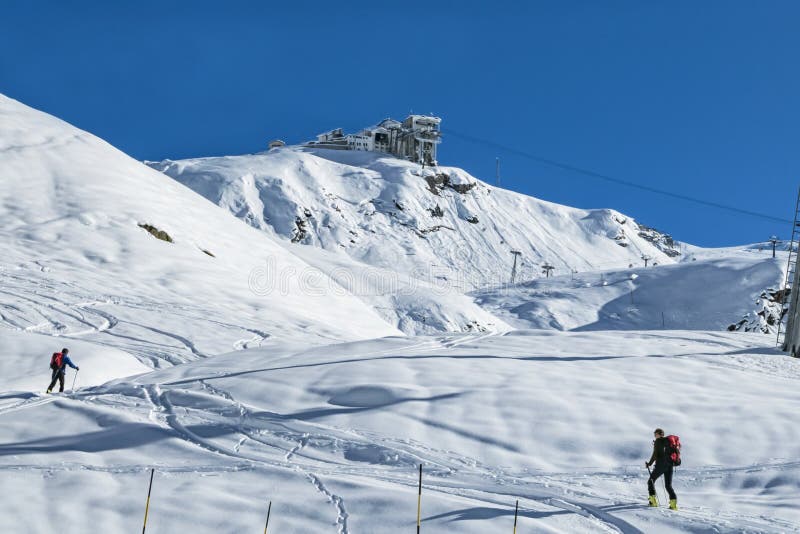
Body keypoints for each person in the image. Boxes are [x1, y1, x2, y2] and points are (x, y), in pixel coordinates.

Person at [646, 428, 677, 510]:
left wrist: (649, 463)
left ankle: (653, 502)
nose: (654, 435)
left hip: (661, 465)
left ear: (659, 434)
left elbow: (655, 454)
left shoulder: (658, 441)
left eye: (655, 434)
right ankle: (673, 505)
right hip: (670, 465)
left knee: (650, 481)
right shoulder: (669, 442)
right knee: (668, 485)